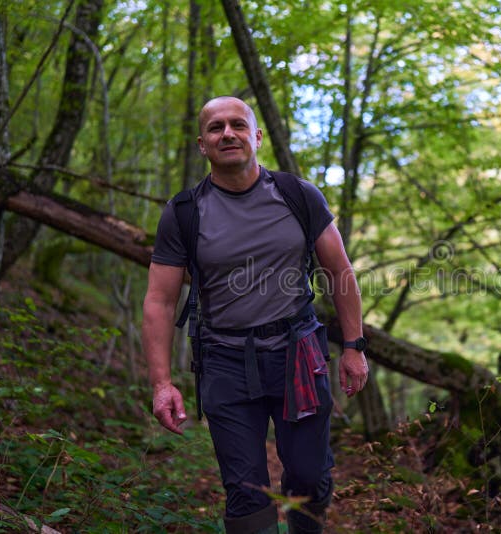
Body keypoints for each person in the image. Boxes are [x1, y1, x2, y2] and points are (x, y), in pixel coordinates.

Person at [142, 96, 369, 534]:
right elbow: (159, 300)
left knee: (308, 478)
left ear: (257, 137)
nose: (227, 133)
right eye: (215, 128)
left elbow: (339, 271)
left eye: (238, 125)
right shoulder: (184, 212)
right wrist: (162, 383)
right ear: (202, 145)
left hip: (298, 353)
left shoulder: (298, 195)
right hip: (224, 361)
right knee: (245, 490)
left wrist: (355, 347)